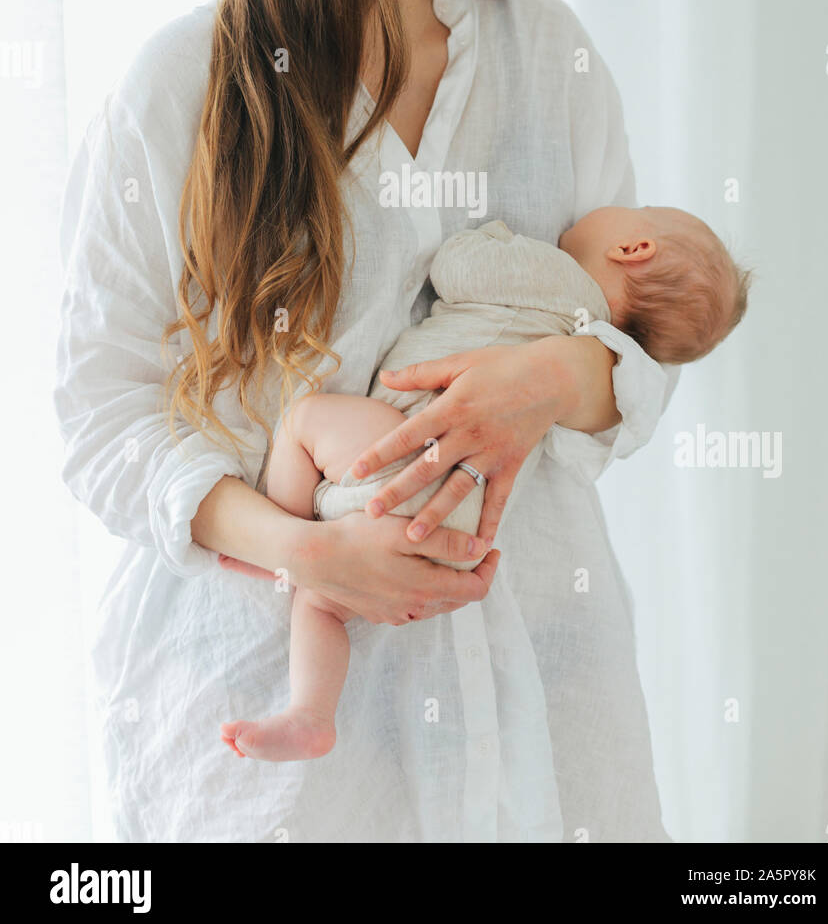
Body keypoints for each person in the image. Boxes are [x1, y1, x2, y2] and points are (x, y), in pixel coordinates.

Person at [55, 0, 680, 842]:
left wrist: (548, 378)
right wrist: (304, 554)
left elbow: (631, 331)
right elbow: (99, 410)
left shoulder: (544, 55)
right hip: (269, 708)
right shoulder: (183, 87)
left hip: (537, 670)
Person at [219, 207, 750, 763]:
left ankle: (281, 539)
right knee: (323, 606)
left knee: (304, 420)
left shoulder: (556, 277)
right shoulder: (597, 349)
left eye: (635, 213)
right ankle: (310, 714)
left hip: (406, 449)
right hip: (460, 523)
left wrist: (491, 237)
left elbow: (457, 265)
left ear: (633, 248)